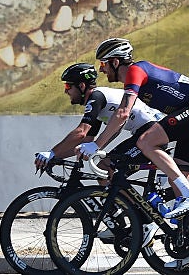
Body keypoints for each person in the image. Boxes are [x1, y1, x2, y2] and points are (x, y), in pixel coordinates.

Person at [77, 37, 189, 219]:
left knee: (146, 141)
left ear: (115, 61)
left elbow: (123, 113)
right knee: (176, 179)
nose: (101, 69)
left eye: (103, 63)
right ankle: (183, 235)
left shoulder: (135, 71)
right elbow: (118, 121)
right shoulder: (133, 76)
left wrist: (96, 146)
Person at [35, 62, 165, 246]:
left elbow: (80, 133)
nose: (66, 92)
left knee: (108, 166)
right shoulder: (98, 102)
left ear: (81, 86)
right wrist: (56, 157)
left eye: (67, 86)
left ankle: (144, 220)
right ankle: (118, 223)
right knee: (103, 168)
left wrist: (50, 153)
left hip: (152, 132)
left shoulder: (96, 97)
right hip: (144, 132)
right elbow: (85, 141)